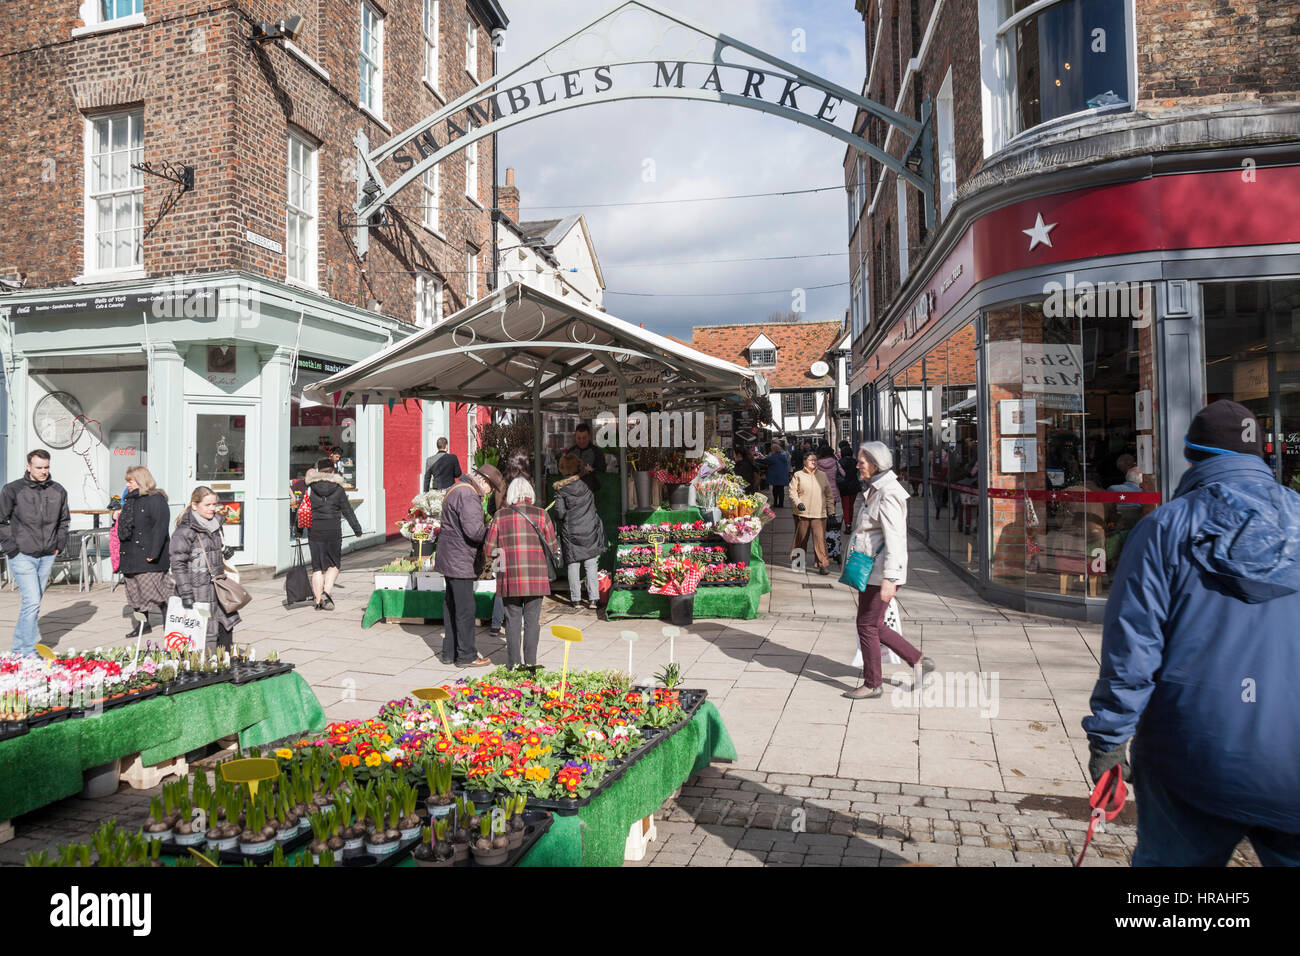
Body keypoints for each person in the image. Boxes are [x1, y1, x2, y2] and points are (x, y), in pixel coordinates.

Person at [1083, 400, 1300, 866]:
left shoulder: (1164, 528)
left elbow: (1133, 648)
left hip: (1190, 749)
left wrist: (1108, 741)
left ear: (1192, 455)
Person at [844, 442, 935, 699]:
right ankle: (918, 661)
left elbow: (896, 538)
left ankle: (873, 684)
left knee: (867, 625)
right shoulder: (876, 489)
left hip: (880, 571)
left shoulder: (888, 493)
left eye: (861, 461)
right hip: (872, 569)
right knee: (873, 623)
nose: (858, 465)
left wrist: (890, 578)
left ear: (874, 463)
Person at [483, 471, 561, 669]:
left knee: (512, 620)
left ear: (510, 495)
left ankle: (513, 664)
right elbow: (553, 547)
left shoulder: (500, 516)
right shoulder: (541, 514)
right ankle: (531, 663)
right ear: (530, 493)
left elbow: (489, 550)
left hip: (509, 577)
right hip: (536, 577)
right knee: (533, 622)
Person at [0, 450, 70, 656]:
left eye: (46, 467)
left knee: (34, 602)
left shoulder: (58, 491)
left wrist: (59, 544)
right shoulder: (12, 490)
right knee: (32, 601)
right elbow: (2, 520)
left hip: (48, 554)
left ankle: (18, 649)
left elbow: (64, 521)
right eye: (39, 467)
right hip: (22, 553)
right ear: (28, 466)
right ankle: (28, 650)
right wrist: (11, 548)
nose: (43, 472)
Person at [435, 464, 504, 667]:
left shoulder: (456, 488)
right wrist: (491, 530)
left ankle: (449, 653)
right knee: (465, 608)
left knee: (451, 605)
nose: (490, 492)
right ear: (484, 482)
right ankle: (466, 655)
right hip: (460, 559)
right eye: (491, 487)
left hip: (449, 557)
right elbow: (474, 531)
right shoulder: (469, 495)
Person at [170, 486, 240, 652]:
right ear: (194, 505)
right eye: (207, 505)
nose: (212, 509)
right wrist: (186, 594)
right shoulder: (185, 530)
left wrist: (225, 550)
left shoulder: (215, 524)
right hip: (196, 589)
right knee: (200, 633)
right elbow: (177, 564)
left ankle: (225, 665)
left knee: (226, 627)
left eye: (214, 504)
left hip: (217, 587)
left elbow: (212, 550)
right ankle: (203, 668)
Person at [116, 466, 171, 638]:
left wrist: (153, 553)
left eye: (130, 481)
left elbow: (160, 528)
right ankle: (142, 625)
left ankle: (170, 623)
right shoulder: (130, 500)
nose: (127, 485)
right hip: (130, 555)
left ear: (141, 480)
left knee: (159, 593)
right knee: (135, 594)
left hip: (148, 555)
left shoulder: (156, 500)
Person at [304, 457, 363, 610]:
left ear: (318, 471)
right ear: (333, 470)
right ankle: (327, 592)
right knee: (334, 564)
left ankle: (318, 602)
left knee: (317, 567)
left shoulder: (310, 488)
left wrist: (297, 531)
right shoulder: (338, 489)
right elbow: (347, 511)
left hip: (314, 529)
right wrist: (357, 529)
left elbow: (301, 510)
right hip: (333, 529)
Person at [553, 452, 608, 609]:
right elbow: (598, 486)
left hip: (571, 531)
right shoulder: (588, 481)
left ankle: (576, 600)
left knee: (573, 563)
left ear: (562, 468)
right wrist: (588, 471)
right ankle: (593, 600)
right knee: (591, 563)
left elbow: (560, 513)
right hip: (590, 527)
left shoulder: (560, 489)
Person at [789, 451, 835, 575]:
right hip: (802, 513)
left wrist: (831, 511)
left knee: (820, 540)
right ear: (804, 461)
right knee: (801, 539)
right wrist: (798, 502)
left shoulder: (823, 475)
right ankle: (798, 562)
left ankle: (823, 564)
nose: (814, 462)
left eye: (815, 460)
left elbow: (829, 495)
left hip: (819, 513)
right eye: (811, 460)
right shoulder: (798, 475)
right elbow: (792, 492)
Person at [566, 423, 605, 492]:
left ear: (589, 437)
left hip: (591, 492)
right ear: (575, 437)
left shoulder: (597, 452)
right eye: (579, 438)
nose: (582, 441)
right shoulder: (570, 452)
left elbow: (602, 470)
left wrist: (592, 470)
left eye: (584, 438)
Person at [815, 443, 844, 522]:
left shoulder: (817, 464)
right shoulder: (835, 463)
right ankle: (830, 525)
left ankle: (823, 526)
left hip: (820, 490)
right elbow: (843, 473)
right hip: (833, 491)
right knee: (831, 509)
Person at [837, 440, 861, 527]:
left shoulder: (840, 462)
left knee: (845, 507)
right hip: (854, 486)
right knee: (851, 506)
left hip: (844, 487)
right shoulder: (855, 462)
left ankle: (847, 524)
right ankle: (849, 521)